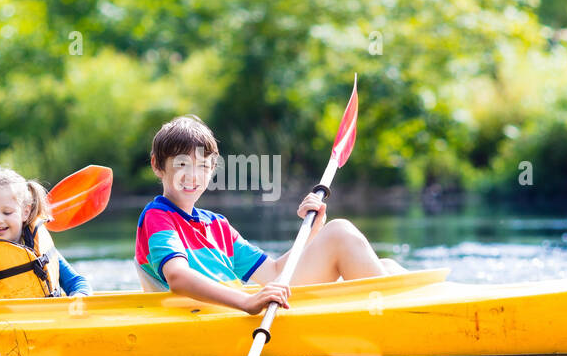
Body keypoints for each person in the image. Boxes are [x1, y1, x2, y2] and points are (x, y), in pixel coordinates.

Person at [134, 115, 405, 313]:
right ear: (158, 165)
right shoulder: (157, 216)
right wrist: (246, 302)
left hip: (235, 308)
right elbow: (178, 278)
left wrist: (313, 229)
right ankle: (398, 318)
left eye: (204, 166)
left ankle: (411, 309)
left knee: (383, 263)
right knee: (341, 232)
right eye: (182, 164)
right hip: (205, 315)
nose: (193, 176)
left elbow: (274, 272)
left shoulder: (217, 225)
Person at [0, 167, 90, 301]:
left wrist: (79, 296)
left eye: (7, 212)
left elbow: (77, 282)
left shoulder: (40, 248)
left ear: (25, 212)